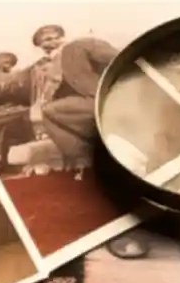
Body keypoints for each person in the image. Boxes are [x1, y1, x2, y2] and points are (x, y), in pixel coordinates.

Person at [27, 24, 118, 177]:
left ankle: (85, 157)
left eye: (53, 38)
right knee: (50, 112)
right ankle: (82, 157)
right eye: (44, 41)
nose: (50, 43)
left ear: (62, 37)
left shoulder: (78, 47)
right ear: (40, 46)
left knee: (50, 111)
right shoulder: (42, 66)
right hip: (78, 102)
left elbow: (116, 58)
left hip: (99, 97)